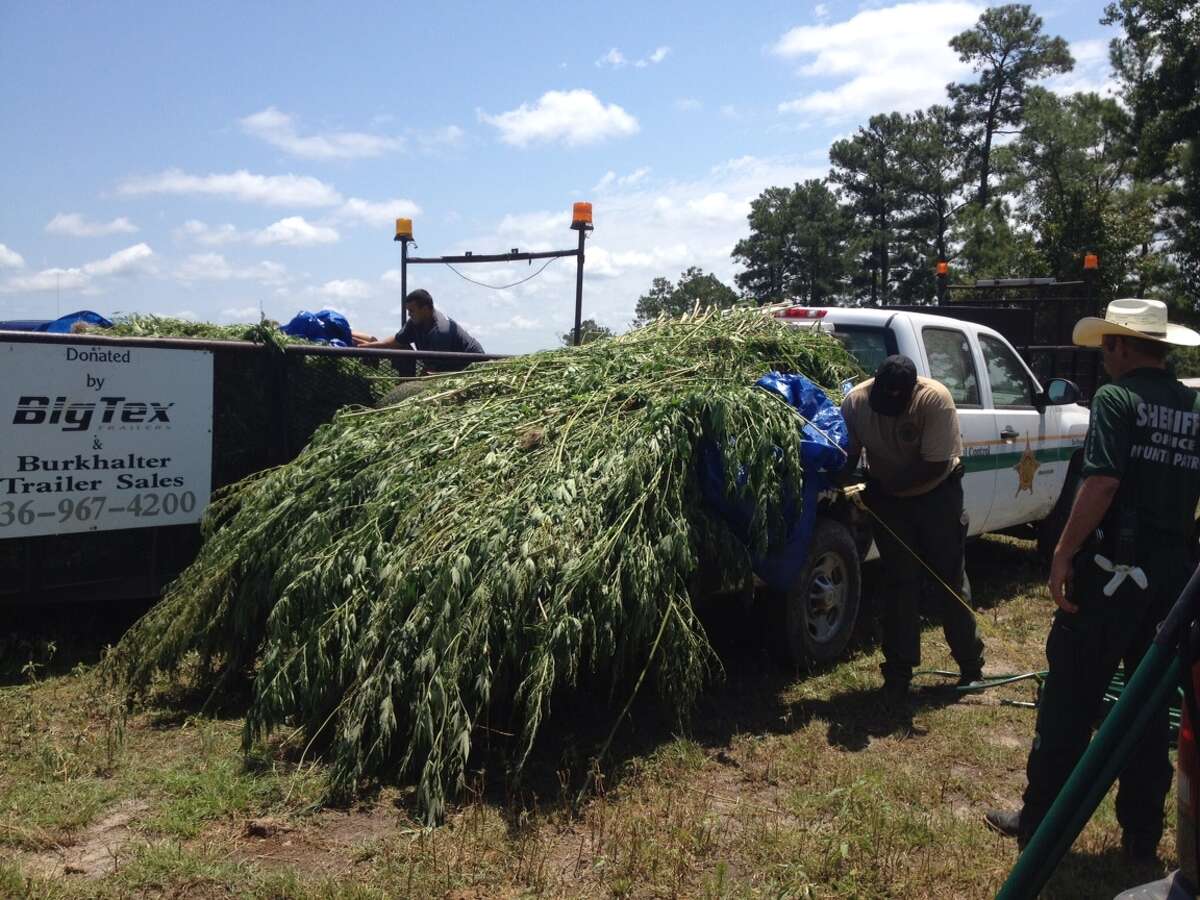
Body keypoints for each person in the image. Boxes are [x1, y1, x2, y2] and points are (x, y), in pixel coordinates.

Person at [986, 298, 1200, 861]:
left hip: (1108, 579)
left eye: (1108, 344)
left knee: (1069, 703)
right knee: (1148, 709)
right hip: (1172, 583)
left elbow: (1101, 483)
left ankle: (1041, 825)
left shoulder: (1116, 398)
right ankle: (1141, 837)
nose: (1105, 356)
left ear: (1122, 346)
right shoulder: (1193, 404)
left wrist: (1062, 554)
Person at [841, 355, 985, 706]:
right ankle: (898, 674)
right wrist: (841, 480)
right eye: (883, 398)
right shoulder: (857, 402)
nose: (889, 407)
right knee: (899, 584)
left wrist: (884, 487)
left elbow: (934, 465)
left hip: (936, 495)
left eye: (897, 401)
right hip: (889, 501)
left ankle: (970, 666)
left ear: (911, 391)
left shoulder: (934, 400)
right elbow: (849, 454)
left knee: (947, 580)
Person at [358, 289, 485, 373]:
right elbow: (397, 341)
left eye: (411, 311)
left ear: (425, 309)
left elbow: (433, 369)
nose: (409, 314)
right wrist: (366, 347)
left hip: (471, 366)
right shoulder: (415, 322)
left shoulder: (441, 331)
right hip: (442, 366)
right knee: (402, 350)